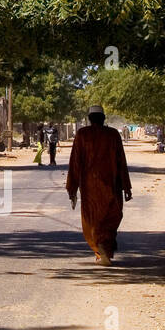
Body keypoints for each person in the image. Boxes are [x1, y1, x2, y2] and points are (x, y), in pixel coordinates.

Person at [66, 105, 133, 266]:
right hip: (112, 185)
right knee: (111, 217)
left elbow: (75, 162)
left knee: (92, 220)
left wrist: (72, 188)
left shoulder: (83, 134)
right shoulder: (113, 135)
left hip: (90, 187)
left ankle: (100, 249)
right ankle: (105, 250)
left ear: (90, 119)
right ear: (103, 118)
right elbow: (121, 162)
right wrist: (126, 187)